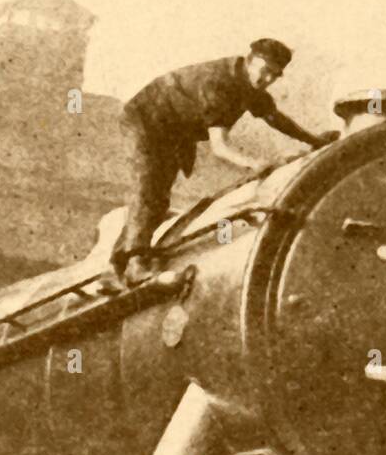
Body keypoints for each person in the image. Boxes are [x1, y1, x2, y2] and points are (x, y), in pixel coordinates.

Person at [110, 39, 333, 285]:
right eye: (265, 71)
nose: (267, 79)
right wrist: (253, 163)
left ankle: (116, 268)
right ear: (251, 60)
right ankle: (135, 264)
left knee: (158, 197)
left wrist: (313, 141)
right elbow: (220, 148)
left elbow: (276, 119)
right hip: (145, 120)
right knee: (148, 189)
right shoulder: (220, 84)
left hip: (173, 129)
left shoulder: (250, 86)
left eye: (274, 75)